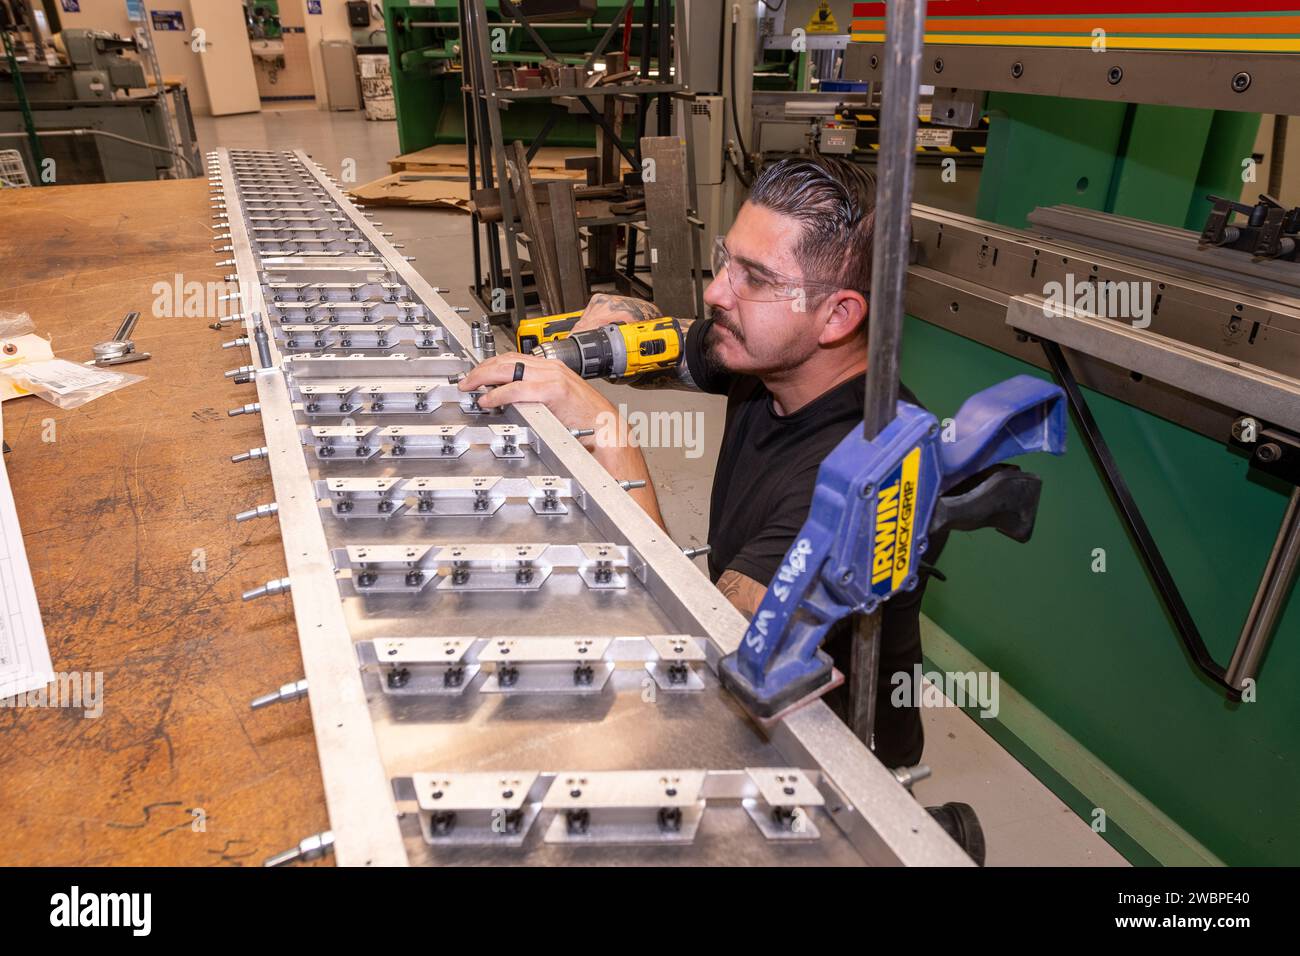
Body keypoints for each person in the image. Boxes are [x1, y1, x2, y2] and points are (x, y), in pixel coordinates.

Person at [457, 156, 938, 768]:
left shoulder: (872, 477)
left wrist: (609, 435)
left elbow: (700, 656)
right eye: (726, 260)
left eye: (754, 278)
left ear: (838, 316)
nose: (716, 292)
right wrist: (592, 345)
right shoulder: (773, 356)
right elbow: (677, 343)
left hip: (821, 755)